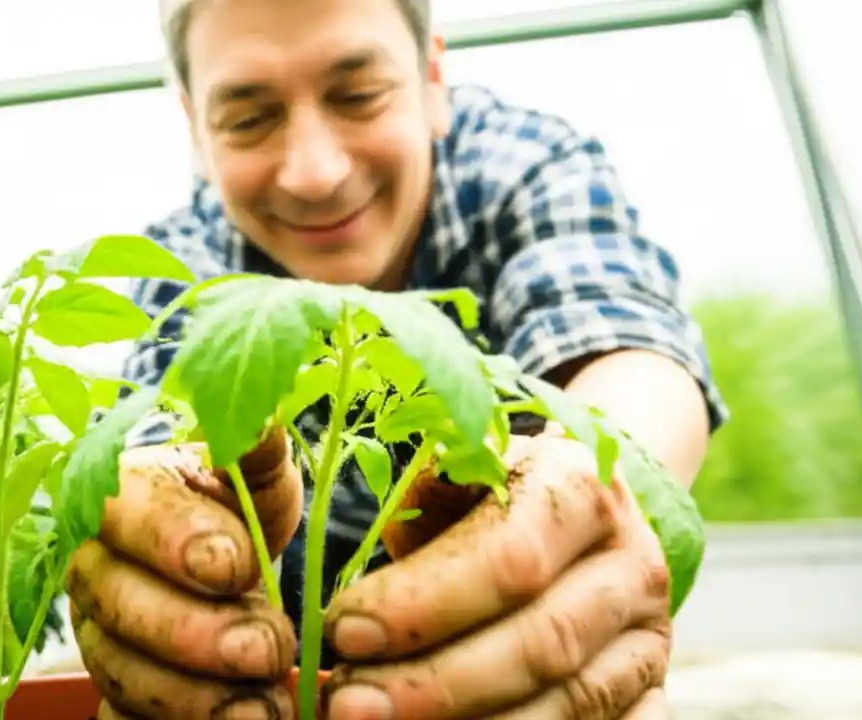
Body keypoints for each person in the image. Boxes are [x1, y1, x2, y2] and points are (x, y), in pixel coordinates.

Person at [65, 0, 728, 717]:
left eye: (357, 95)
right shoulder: (184, 263)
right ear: (196, 125)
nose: (314, 173)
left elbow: (625, 347)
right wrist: (162, 541)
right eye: (249, 118)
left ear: (431, 80)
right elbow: (156, 458)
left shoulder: (520, 168)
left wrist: (582, 498)